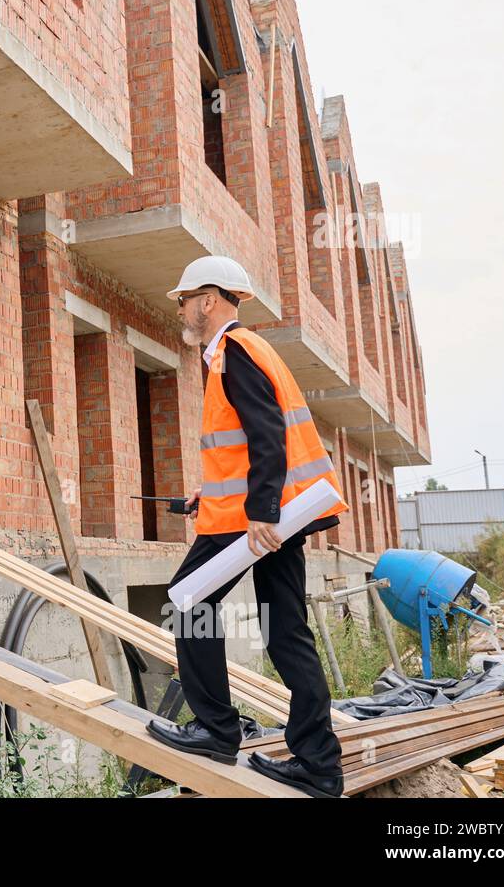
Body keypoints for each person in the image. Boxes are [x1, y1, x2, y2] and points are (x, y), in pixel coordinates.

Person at [145, 256, 350, 798]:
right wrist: (207, 493)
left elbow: (267, 438)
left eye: (186, 300)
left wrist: (258, 511)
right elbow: (246, 447)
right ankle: (318, 765)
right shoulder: (245, 353)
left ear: (209, 300)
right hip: (275, 514)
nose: (183, 310)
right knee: (287, 632)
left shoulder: (234, 353)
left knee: (188, 601)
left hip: (253, 520)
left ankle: (216, 729)